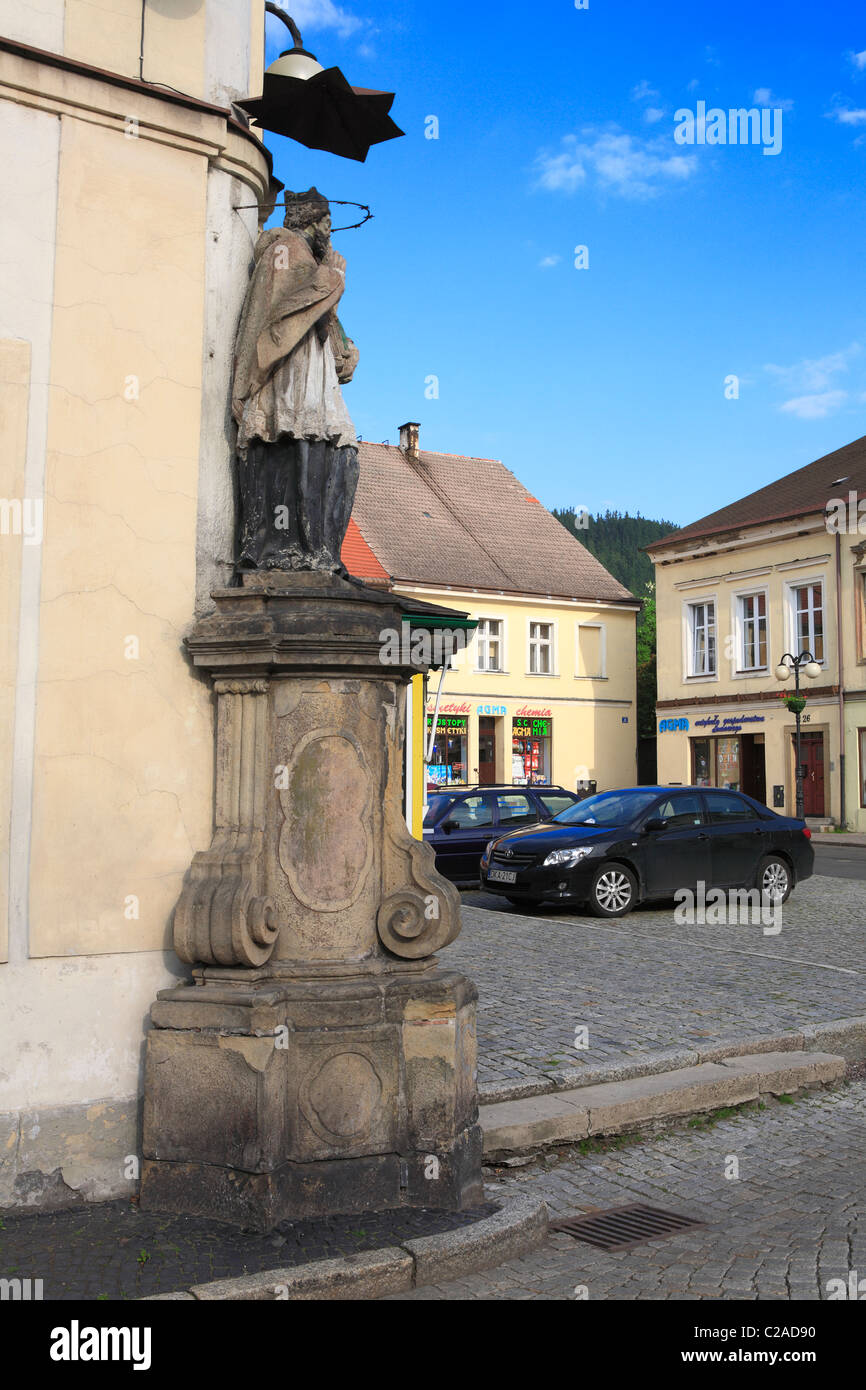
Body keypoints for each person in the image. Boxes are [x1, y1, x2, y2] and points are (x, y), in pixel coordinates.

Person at [231, 187, 359, 572]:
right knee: (295, 442)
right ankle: (290, 548)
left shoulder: (304, 257)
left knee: (338, 449)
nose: (329, 232)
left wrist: (346, 350)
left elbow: (322, 318)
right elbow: (287, 313)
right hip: (290, 371)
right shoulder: (281, 251)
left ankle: (318, 550)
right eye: (326, 223)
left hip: (313, 368)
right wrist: (333, 278)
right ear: (310, 221)